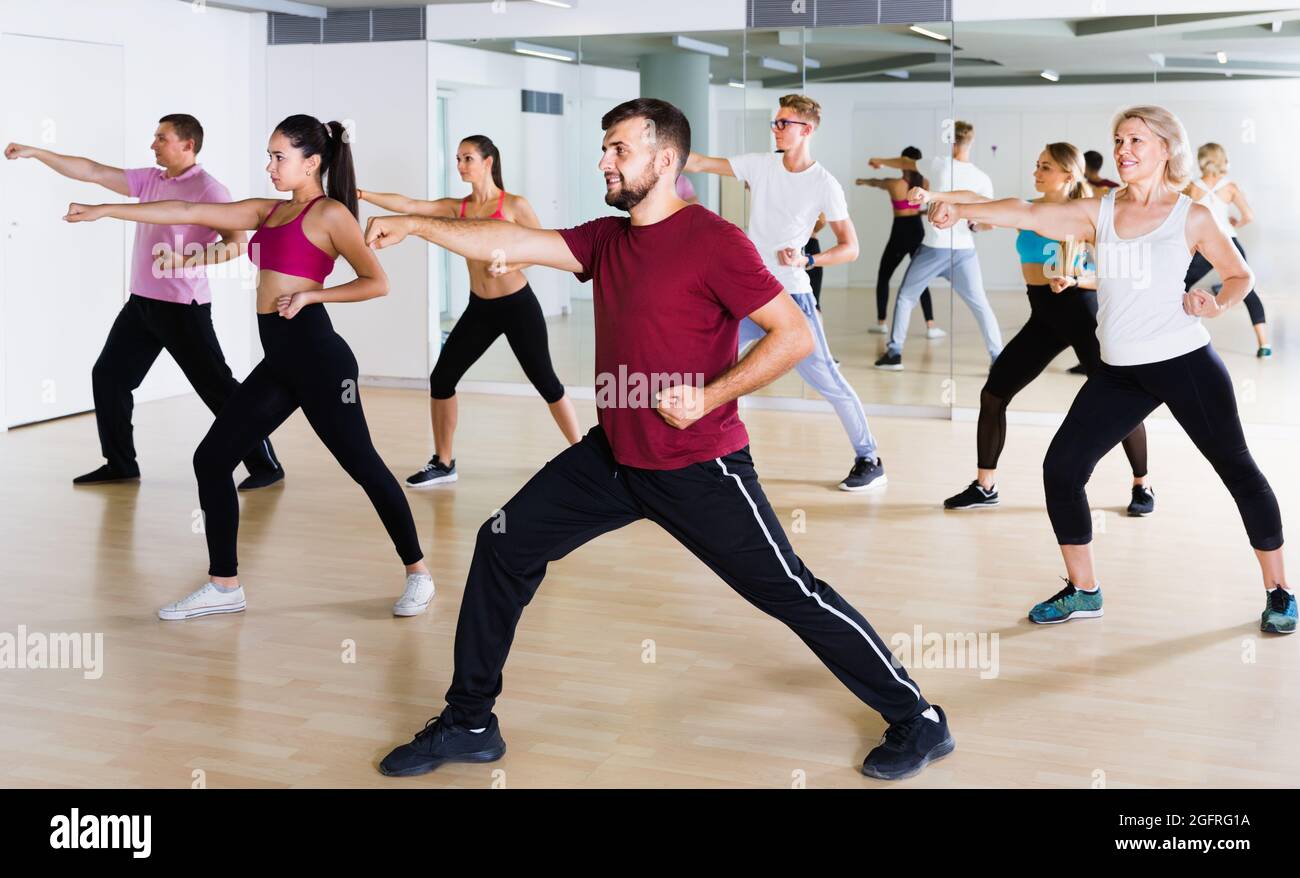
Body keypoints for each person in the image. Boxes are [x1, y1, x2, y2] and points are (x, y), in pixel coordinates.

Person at [368, 97, 953, 780]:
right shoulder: (605, 239)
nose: (604, 161)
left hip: (699, 466)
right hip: (613, 458)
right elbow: (512, 243)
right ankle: (470, 721)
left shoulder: (715, 242)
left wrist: (709, 396)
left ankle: (918, 717)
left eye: (619, 149)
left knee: (790, 590)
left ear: (665, 159)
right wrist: (415, 223)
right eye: (605, 148)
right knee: (502, 543)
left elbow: (792, 335)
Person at [930, 105, 1292, 633]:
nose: (1124, 149)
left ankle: (1280, 591)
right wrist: (958, 208)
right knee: (1062, 469)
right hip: (1120, 372)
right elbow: (1026, 212)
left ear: (1166, 148)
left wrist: (1215, 303)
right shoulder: (1098, 211)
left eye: (1136, 140)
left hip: (1184, 361)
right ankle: (1084, 591)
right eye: (1119, 140)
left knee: (1238, 471)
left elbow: (1240, 275)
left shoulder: (1191, 215)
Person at [65, 114, 433, 621]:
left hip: (320, 361)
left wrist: (313, 295)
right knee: (212, 459)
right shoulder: (269, 210)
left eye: (280, 157)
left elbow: (376, 281)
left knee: (363, 466)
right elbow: (188, 208)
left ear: (312, 162)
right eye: (269, 156)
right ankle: (224, 585)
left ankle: (418, 572)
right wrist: (107, 210)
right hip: (279, 361)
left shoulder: (330, 215)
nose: (270, 166)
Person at [5, 117, 284, 489]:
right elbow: (92, 171)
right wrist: (36, 152)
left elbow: (236, 244)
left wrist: (188, 260)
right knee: (109, 377)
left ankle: (265, 464)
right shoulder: (152, 179)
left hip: (183, 307)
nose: (153, 144)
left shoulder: (210, 189)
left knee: (218, 388)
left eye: (161, 138)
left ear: (188, 145)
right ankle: (120, 464)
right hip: (142, 304)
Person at [918, 143, 1152, 516]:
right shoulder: (1028, 210)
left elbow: (1113, 274)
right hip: (1044, 317)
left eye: (1046, 167)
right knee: (994, 394)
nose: (1036, 173)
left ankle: (1142, 485)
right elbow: (976, 200)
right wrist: (934, 196)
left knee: (1119, 402)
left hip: (1082, 315)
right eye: (1037, 165)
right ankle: (985, 486)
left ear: (1068, 175)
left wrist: (1076, 279)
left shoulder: (1087, 216)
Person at [685, 94, 886, 491]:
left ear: (806, 130)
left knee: (828, 381)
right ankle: (697, 452)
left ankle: (870, 458)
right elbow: (701, 163)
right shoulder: (760, 165)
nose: (775, 129)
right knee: (706, 363)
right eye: (774, 123)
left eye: (783, 123)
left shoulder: (824, 183)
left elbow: (851, 248)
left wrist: (809, 260)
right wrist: (658, 147)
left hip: (791, 298)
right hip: (747, 294)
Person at [358, 135, 580, 487]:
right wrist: (363, 194)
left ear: (488, 162)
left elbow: (542, 249)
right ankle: (444, 462)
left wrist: (511, 264)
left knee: (546, 383)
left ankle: (583, 455)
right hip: (480, 308)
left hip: (517, 305)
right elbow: (411, 205)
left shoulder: (514, 205)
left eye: (468, 158)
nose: (460, 165)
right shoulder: (457, 208)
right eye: (458, 158)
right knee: (442, 379)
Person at [871, 122, 1003, 371]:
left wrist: (879, 161)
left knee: (906, 297)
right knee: (981, 305)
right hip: (964, 252)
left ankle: (894, 354)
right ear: (971, 143)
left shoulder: (939, 164)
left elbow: (906, 163)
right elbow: (989, 223)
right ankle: (998, 358)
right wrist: (973, 226)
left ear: (950, 141)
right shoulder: (982, 178)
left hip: (934, 249)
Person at [1182, 142, 1271, 357]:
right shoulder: (1230, 187)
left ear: (1201, 160)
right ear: (1222, 160)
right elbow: (1249, 215)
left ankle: (1174, 338)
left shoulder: (1192, 186)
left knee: (1180, 285)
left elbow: (1181, 217)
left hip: (1203, 245)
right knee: (1247, 289)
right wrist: (1235, 223)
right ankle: (1264, 345)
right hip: (1229, 242)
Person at [856, 146, 943, 337]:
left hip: (900, 231)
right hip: (917, 230)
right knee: (921, 278)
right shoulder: (925, 184)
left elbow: (877, 182)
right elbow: (929, 205)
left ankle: (881, 323)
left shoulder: (894, 184)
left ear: (903, 163)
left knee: (884, 275)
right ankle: (931, 326)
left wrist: (863, 181)